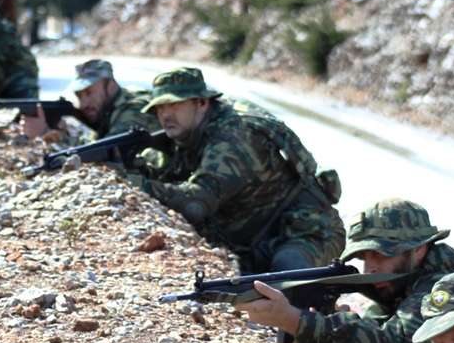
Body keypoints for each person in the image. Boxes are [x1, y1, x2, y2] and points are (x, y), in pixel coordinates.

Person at [235, 199, 454, 343]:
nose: (371, 268)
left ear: (419, 249)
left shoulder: (440, 284)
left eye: (381, 256)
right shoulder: (407, 276)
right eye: (365, 257)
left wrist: (295, 321)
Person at [127, 67, 345, 273]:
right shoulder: (186, 134)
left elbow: (197, 203)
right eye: (160, 108)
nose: (165, 115)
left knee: (287, 273)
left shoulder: (232, 135)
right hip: (251, 238)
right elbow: (166, 176)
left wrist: (135, 184)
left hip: (305, 231)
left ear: (202, 103)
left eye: (174, 105)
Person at [21, 59, 160, 143]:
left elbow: (108, 152)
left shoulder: (133, 109)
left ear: (110, 86)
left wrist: (46, 133)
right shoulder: (111, 109)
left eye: (89, 92)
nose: (83, 103)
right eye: (79, 95)